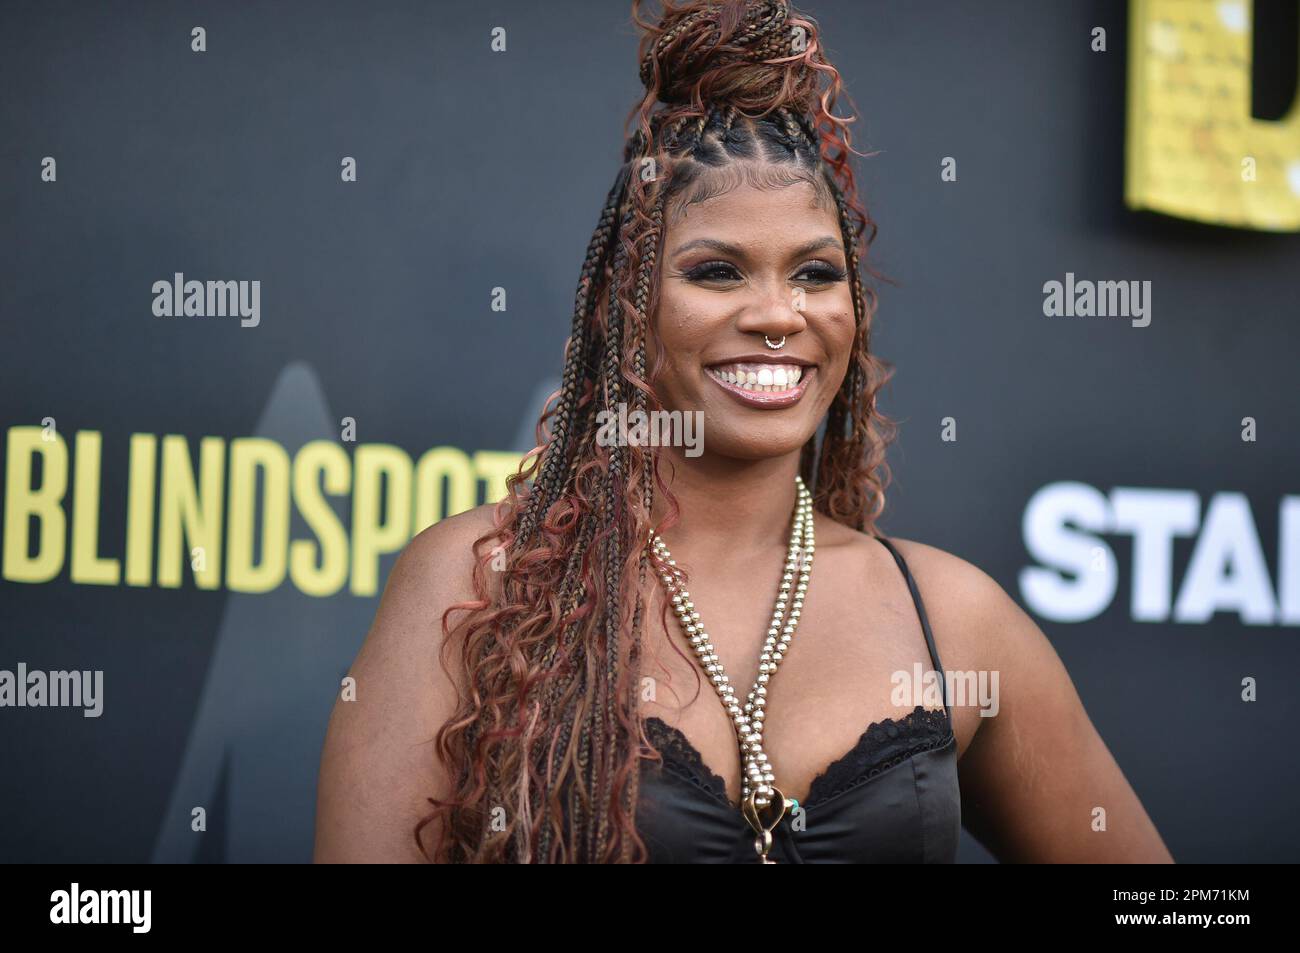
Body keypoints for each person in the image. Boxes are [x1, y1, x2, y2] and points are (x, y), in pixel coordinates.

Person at [313, 0, 1174, 864]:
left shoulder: (954, 622)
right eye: (717, 271)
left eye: (815, 272)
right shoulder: (478, 586)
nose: (777, 315)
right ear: (628, 305)